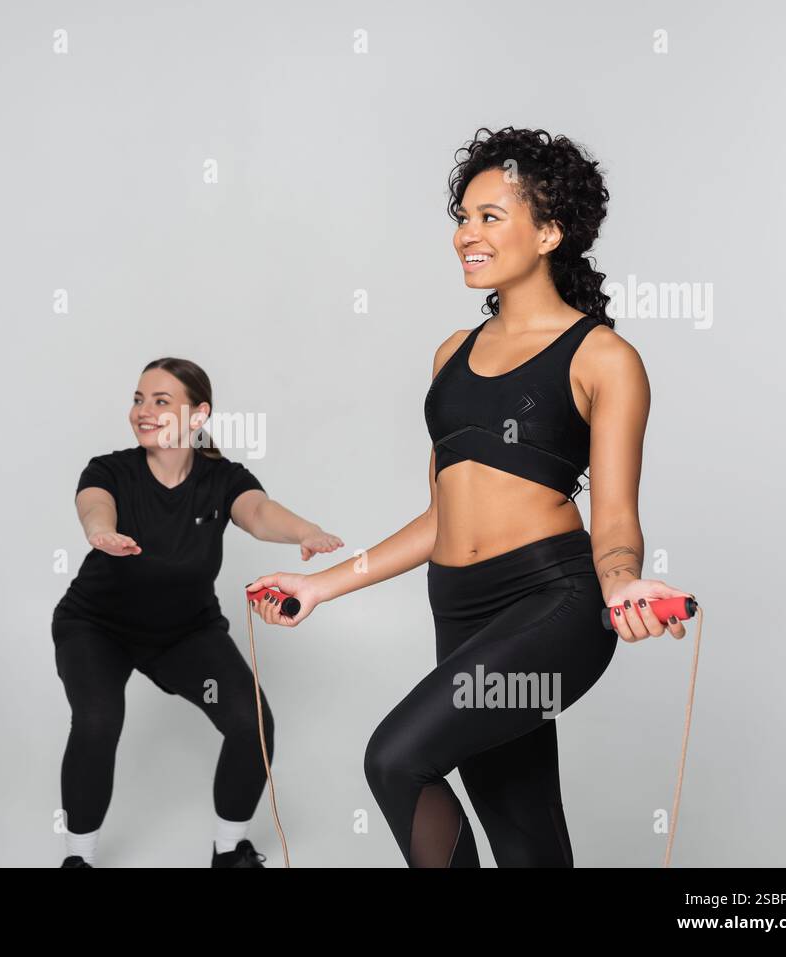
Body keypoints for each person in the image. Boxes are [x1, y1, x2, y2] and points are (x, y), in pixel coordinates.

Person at [245, 127, 694, 867]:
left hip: (553, 605)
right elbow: (440, 517)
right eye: (463, 216)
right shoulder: (451, 353)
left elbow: (614, 518)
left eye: (491, 216)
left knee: (396, 758)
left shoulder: (603, 357)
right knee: (524, 836)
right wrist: (319, 585)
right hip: (457, 603)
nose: (466, 234)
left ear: (550, 232)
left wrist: (620, 585)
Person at [53, 357, 343, 867]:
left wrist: (304, 531)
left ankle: (228, 852)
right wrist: (99, 531)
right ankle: (79, 858)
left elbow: (257, 512)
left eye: (161, 401)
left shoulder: (222, 479)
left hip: (185, 631)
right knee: (98, 720)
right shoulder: (110, 470)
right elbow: (94, 505)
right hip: (96, 627)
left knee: (252, 723)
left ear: (198, 414)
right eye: (138, 399)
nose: (143, 411)